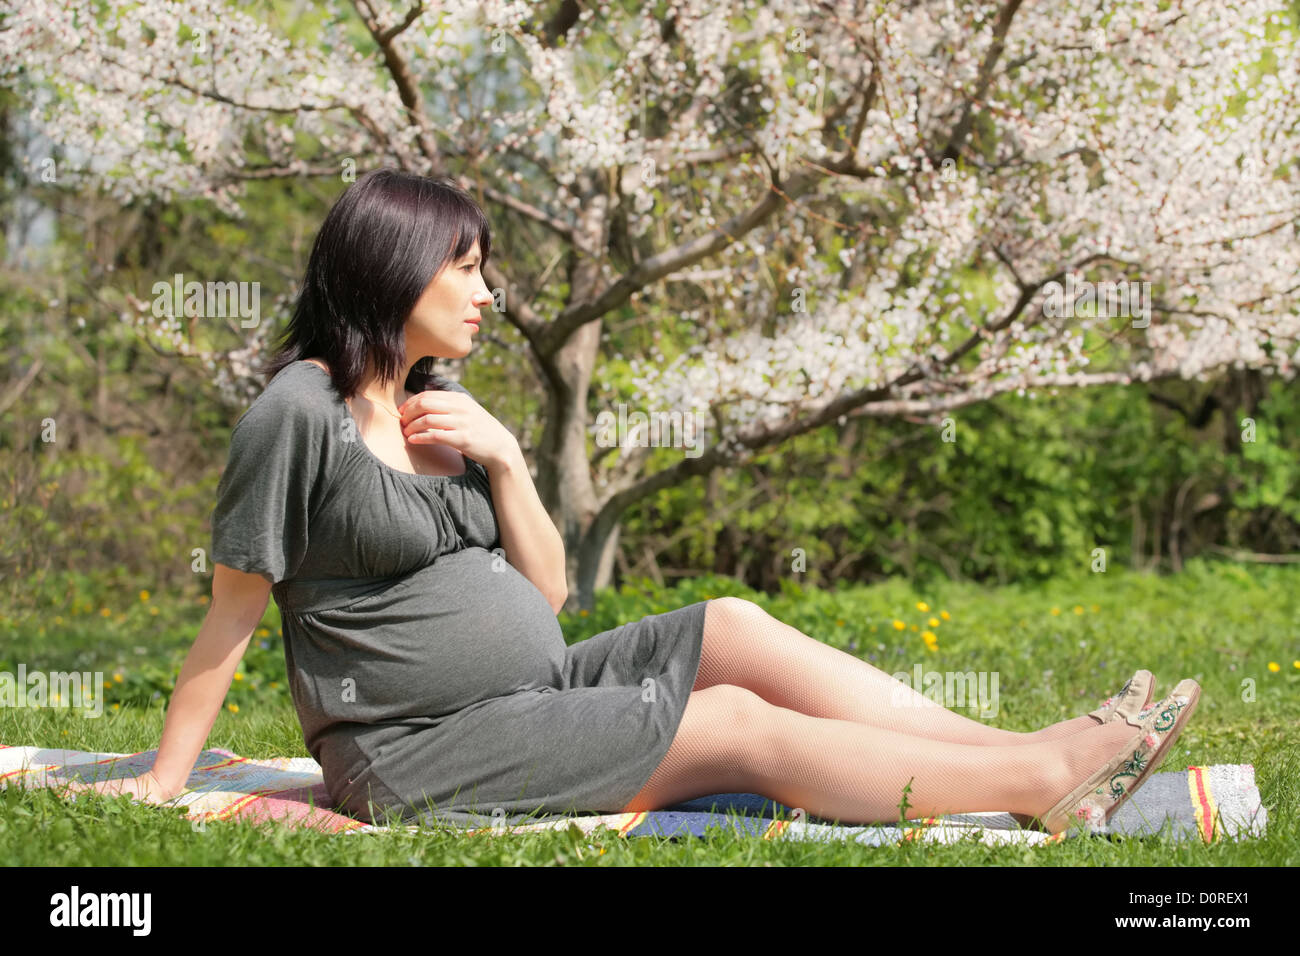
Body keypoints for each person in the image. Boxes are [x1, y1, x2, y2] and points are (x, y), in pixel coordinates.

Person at [64, 169, 1200, 834]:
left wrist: (506, 457)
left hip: (534, 685)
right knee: (734, 726)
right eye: (464, 266)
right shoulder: (295, 413)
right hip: (416, 750)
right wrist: (167, 783)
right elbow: (231, 613)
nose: (485, 292)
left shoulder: (443, 405)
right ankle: (1039, 782)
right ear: (389, 266)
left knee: (735, 626)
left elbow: (547, 593)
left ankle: (1038, 744)